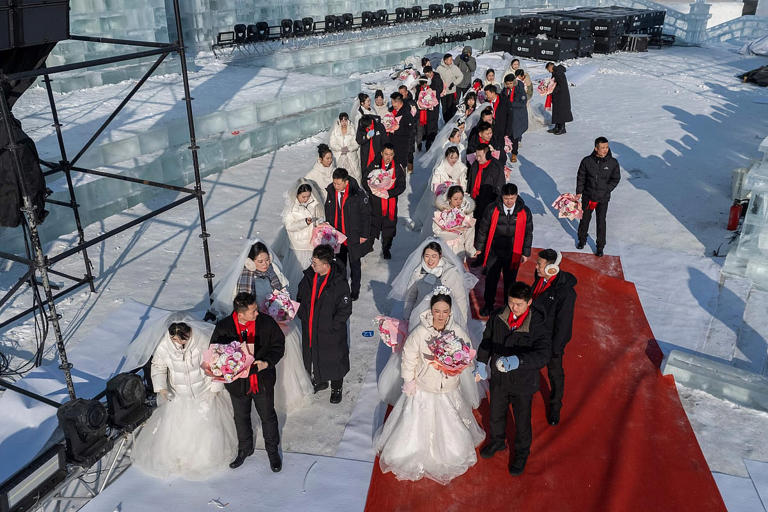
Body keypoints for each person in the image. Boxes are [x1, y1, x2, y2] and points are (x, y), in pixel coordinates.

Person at [374, 292, 485, 485]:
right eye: (437, 311)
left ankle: (450, 451)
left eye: (445, 311)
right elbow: (409, 357)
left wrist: (460, 366)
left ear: (451, 312)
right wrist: (409, 380)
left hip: (447, 388)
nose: (440, 315)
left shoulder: (457, 331)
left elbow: (466, 353)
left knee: (449, 421)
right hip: (423, 387)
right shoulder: (420, 332)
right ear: (431, 310)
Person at [209, 240, 313, 416]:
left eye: (267, 260)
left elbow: (282, 289)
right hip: (260, 326)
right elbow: (244, 307)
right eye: (260, 261)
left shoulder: (273, 271)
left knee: (285, 355)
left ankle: (288, 394)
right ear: (250, 262)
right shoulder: (245, 280)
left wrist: (281, 305)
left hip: (279, 322)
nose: (265, 265)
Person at [130, 314, 237, 480]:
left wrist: (215, 387)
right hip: (179, 394)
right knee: (178, 431)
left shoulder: (202, 340)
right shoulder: (164, 345)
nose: (180, 343)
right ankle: (180, 458)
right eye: (176, 340)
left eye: (184, 339)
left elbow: (216, 364)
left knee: (206, 430)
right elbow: (158, 366)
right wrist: (162, 388)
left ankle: (205, 458)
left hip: (204, 392)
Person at [381, 238, 479, 407]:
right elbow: (411, 297)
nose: (430, 260)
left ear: (440, 256)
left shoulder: (450, 273)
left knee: (444, 351)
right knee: (417, 352)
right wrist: (407, 316)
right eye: (427, 256)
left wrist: (461, 322)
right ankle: (414, 381)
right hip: (420, 320)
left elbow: (461, 299)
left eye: (434, 256)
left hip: (445, 319)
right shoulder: (418, 272)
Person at [475, 282, 551, 476]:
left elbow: (543, 354)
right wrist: (482, 363)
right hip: (499, 378)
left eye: (519, 304)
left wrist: (519, 360)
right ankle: (497, 441)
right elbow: (487, 341)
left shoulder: (538, 324)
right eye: (511, 303)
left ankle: (522, 452)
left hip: (523, 382)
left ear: (529, 303)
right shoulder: (498, 316)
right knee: (496, 413)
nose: (514, 308)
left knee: (522, 419)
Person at [211, 292, 285, 472]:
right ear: (240, 313)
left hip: (262, 380)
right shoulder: (223, 327)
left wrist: (266, 362)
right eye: (253, 311)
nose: (257, 313)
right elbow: (214, 353)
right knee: (241, 417)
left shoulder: (266, 323)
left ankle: (272, 452)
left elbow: (278, 345)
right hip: (237, 384)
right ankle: (244, 449)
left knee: (267, 416)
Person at [296, 244, 353, 403]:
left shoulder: (339, 283)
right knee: (315, 356)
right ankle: (320, 380)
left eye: (315, 263)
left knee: (334, 359)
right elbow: (300, 296)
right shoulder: (309, 277)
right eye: (312, 261)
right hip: (311, 326)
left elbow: (345, 310)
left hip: (330, 332)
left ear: (326, 265)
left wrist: (333, 326)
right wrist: (301, 313)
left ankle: (336, 387)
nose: (312, 265)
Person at [531, 249, 577, 426]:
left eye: (539, 265)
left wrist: (556, 349)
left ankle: (555, 405)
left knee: (554, 373)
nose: (536, 267)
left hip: (551, 341)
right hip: (534, 333)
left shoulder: (565, 293)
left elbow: (564, 324)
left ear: (552, 268)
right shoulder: (540, 279)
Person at [474, 183, 533, 316]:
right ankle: (488, 305)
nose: (509, 201)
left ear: (517, 196)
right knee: (491, 280)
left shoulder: (524, 211)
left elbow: (528, 233)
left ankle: (508, 307)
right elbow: (483, 229)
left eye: (512, 198)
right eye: (506, 198)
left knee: (510, 282)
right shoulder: (492, 209)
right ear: (502, 196)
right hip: (494, 251)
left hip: (513, 252)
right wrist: (479, 248)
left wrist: (526, 252)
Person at [325, 168, 370, 300]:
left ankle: (355, 291)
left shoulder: (357, 194)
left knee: (355, 265)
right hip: (338, 237)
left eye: (338, 184)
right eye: (334, 183)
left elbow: (366, 215)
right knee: (339, 265)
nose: (335, 186)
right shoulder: (331, 192)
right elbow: (328, 211)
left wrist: (364, 234)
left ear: (346, 182)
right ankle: (342, 289)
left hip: (354, 235)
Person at [576, 136, 620, 257]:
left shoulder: (613, 163)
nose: (605, 150)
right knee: (584, 219)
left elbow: (615, 179)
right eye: (602, 148)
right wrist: (579, 191)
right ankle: (581, 239)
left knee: (601, 222)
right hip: (588, 196)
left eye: (607, 147)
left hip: (603, 198)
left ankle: (600, 246)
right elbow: (581, 177)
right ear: (596, 148)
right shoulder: (587, 161)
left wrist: (607, 189)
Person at [279, 180, 326, 292]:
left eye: (308, 196)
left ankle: (310, 292)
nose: (306, 199)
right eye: (303, 196)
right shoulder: (291, 209)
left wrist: (319, 223)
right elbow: (289, 226)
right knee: (298, 272)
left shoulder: (313, 204)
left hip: (312, 242)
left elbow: (317, 217)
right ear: (297, 195)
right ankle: (296, 293)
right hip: (299, 245)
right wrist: (304, 222)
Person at [362, 143, 406, 259]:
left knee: (389, 228)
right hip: (375, 203)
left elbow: (402, 186)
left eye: (391, 155)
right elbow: (364, 180)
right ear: (381, 153)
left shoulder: (397, 167)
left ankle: (386, 248)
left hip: (390, 203)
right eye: (386, 154)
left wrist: (389, 193)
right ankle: (368, 245)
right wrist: (373, 190)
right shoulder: (374, 165)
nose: (388, 157)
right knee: (373, 225)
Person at [432, 185, 477, 260]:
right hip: (444, 247)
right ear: (449, 199)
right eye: (455, 199)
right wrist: (449, 235)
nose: (458, 201)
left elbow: (470, 235)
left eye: (461, 199)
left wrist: (470, 251)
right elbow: (436, 230)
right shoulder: (441, 212)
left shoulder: (466, 213)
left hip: (459, 249)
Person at [466, 143, 505, 220]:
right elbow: (470, 182)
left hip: (488, 204)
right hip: (474, 201)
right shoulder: (475, 165)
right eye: (476, 155)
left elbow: (499, 187)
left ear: (488, 155)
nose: (477, 158)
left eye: (480, 156)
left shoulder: (496, 167)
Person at [498, 72, 529, 164]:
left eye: (511, 83)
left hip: (517, 115)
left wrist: (510, 104)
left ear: (514, 82)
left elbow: (522, 103)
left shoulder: (519, 89)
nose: (509, 85)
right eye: (507, 84)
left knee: (514, 134)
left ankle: (514, 153)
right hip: (507, 115)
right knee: (506, 133)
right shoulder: (504, 90)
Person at [387, 92, 415, 173]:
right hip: (392, 142)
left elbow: (409, 130)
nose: (393, 104)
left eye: (394, 102)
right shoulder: (392, 111)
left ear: (399, 102)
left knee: (400, 166)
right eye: (392, 102)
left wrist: (397, 129)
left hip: (402, 144)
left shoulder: (406, 113)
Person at [329, 112, 361, 183]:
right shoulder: (335, 130)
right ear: (340, 121)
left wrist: (349, 148)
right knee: (340, 177)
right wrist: (340, 149)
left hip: (351, 156)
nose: (344, 122)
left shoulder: (352, 129)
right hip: (339, 157)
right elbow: (332, 143)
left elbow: (356, 143)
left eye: (345, 120)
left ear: (348, 120)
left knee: (354, 176)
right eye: (342, 120)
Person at [545, 62, 573, 135]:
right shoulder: (556, 72)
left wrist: (551, 90)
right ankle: (557, 127)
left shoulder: (558, 72)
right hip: (558, 95)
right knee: (557, 111)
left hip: (561, 95)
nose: (549, 71)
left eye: (548, 69)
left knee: (561, 112)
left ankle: (562, 128)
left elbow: (560, 85)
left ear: (551, 66)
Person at [415, 75, 440, 152]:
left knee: (429, 129)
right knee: (420, 130)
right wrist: (421, 105)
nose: (424, 85)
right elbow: (417, 100)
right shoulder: (418, 90)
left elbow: (435, 101)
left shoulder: (431, 90)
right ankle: (419, 145)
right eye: (422, 83)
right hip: (421, 113)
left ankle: (428, 146)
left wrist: (430, 104)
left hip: (430, 113)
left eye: (425, 83)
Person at [436, 54, 463, 122]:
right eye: (449, 59)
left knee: (450, 107)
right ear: (445, 60)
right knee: (444, 108)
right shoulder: (439, 68)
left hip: (451, 91)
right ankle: (446, 122)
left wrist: (454, 83)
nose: (451, 60)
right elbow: (436, 78)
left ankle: (451, 122)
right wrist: (440, 86)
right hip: (443, 92)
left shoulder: (454, 68)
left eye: (451, 59)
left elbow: (460, 76)